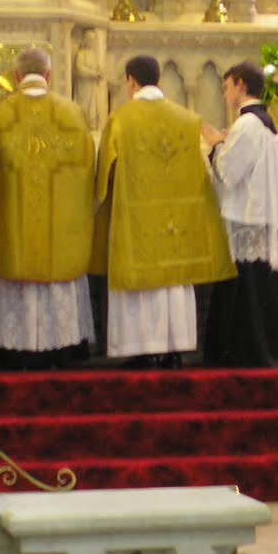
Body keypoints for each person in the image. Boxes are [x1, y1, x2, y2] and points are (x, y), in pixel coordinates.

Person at [92, 54, 233, 367]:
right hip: (175, 221)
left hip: (136, 216)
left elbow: (104, 175)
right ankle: (173, 348)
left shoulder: (121, 119)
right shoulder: (185, 118)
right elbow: (202, 172)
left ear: (130, 81)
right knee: (172, 281)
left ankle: (141, 350)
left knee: (140, 281)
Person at [0, 46, 95, 368]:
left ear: (17, 77)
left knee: (13, 255)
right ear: (49, 75)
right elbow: (86, 170)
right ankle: (61, 347)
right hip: (59, 227)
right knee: (57, 258)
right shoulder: (72, 113)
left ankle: (13, 348)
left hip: (13, 221)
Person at [200, 61, 278, 367]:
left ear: (240, 85)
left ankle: (245, 354)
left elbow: (228, 171)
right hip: (257, 215)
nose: (225, 95)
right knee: (257, 290)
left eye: (227, 87)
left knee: (245, 291)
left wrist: (215, 143)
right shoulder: (264, 123)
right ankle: (266, 350)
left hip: (245, 218)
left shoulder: (247, 125)